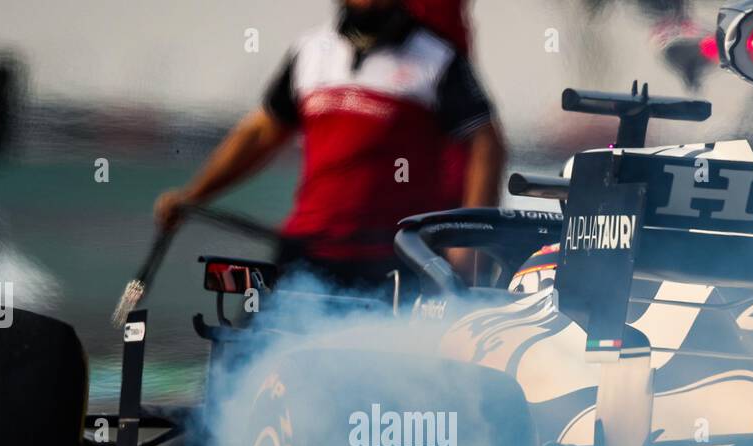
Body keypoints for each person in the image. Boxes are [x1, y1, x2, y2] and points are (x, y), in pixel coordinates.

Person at [154, 0, 506, 294]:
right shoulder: (310, 51)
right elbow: (262, 131)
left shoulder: (437, 58)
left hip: (393, 264)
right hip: (305, 255)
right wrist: (193, 195)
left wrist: (466, 251)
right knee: (250, 361)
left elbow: (486, 144)